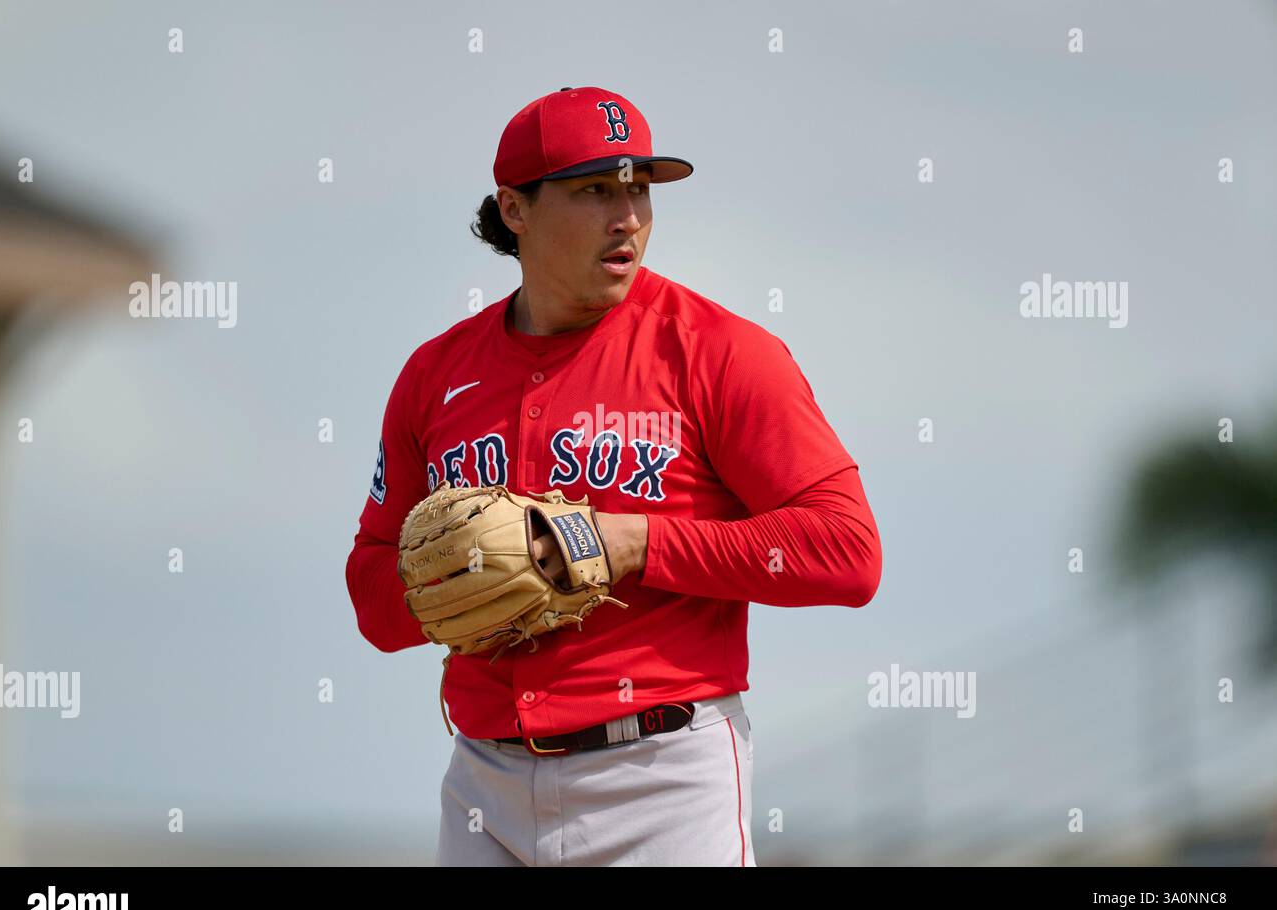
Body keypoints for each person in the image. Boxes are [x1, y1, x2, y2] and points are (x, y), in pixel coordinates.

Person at [345, 86, 882, 866]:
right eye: (594, 189)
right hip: (485, 782)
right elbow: (372, 598)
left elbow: (846, 552)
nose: (627, 214)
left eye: (639, 188)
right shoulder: (436, 374)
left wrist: (633, 544)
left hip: (661, 781)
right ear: (514, 209)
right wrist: (451, 582)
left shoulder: (721, 353)